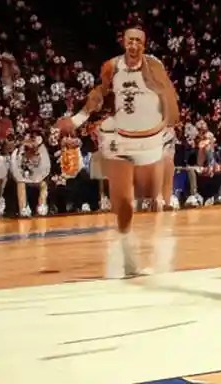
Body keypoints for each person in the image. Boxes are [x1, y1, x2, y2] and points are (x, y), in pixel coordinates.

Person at [57, 25, 180, 277]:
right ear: (124, 43)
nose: (133, 45)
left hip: (151, 138)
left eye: (138, 41)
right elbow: (100, 93)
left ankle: (158, 251)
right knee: (123, 202)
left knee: (153, 199)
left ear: (143, 45)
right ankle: (127, 255)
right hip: (122, 138)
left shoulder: (153, 66)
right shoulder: (111, 67)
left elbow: (168, 95)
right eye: (129, 40)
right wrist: (78, 118)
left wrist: (170, 120)